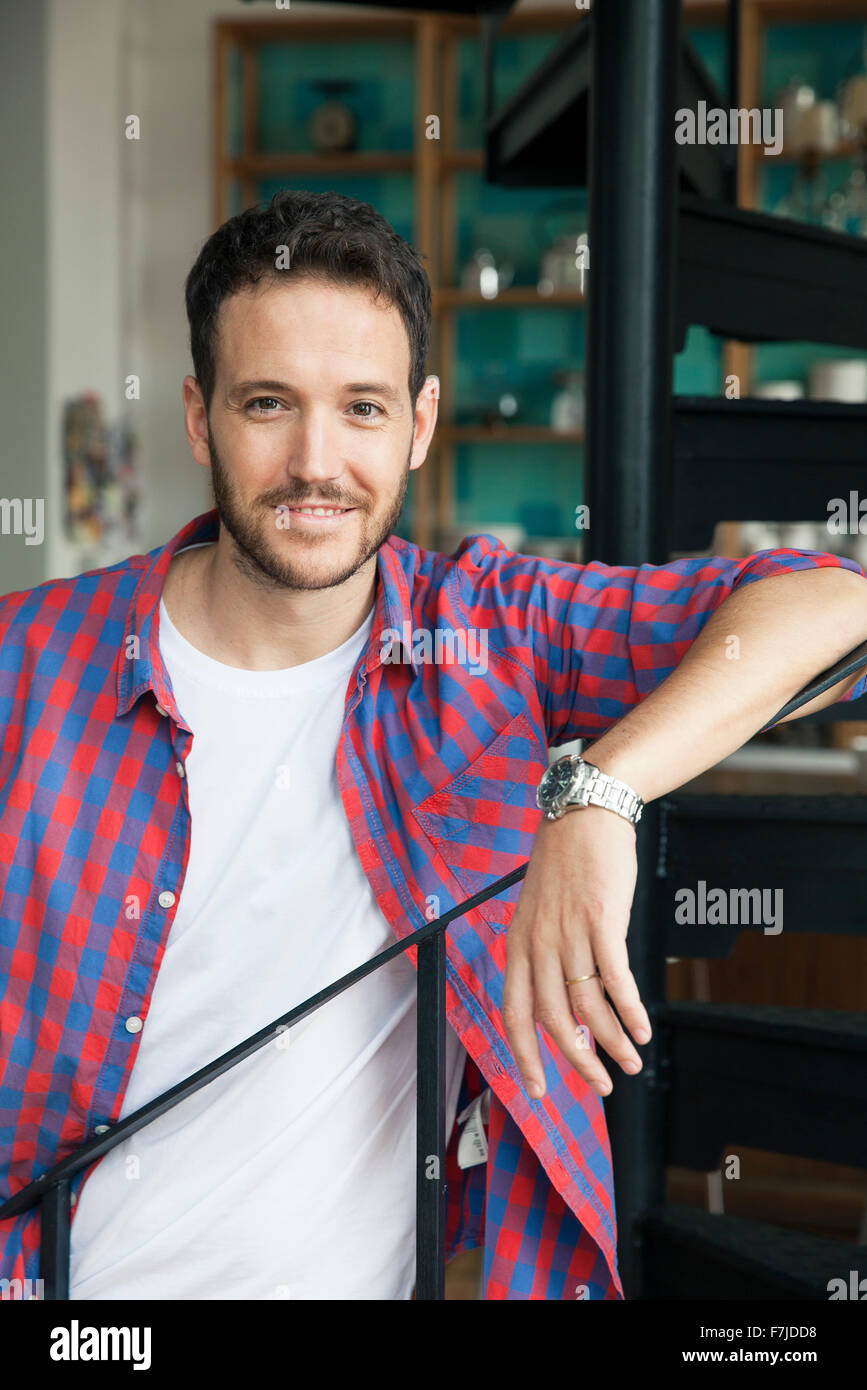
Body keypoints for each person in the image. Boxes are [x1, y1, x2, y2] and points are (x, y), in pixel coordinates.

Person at [2, 190, 866, 1302]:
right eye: (269, 402)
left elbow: (828, 600)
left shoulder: (491, 634)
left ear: (418, 422)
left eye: (361, 409)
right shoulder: (32, 665)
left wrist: (600, 790)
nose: (317, 463)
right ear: (198, 414)